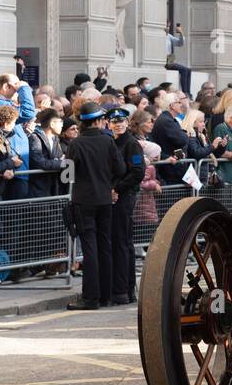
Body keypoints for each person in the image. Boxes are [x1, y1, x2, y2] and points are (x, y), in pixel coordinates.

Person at [65, 102, 125, 310]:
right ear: (99, 121)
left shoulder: (76, 144)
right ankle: (105, 295)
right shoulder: (108, 142)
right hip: (104, 200)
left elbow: (67, 175)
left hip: (83, 200)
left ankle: (90, 297)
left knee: (90, 249)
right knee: (104, 246)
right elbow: (120, 168)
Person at [106, 107, 145, 305]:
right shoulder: (111, 142)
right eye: (114, 121)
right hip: (115, 196)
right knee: (121, 242)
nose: (118, 124)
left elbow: (138, 172)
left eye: (121, 121)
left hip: (125, 196)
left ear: (127, 123)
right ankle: (125, 289)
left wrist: (117, 188)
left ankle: (125, 290)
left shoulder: (131, 144)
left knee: (122, 242)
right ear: (108, 123)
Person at [27, 108, 68, 197]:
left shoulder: (55, 139)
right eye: (60, 122)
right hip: (38, 190)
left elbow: (58, 159)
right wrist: (61, 163)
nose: (62, 125)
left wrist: (59, 161)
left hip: (53, 189)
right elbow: (40, 163)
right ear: (52, 124)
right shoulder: (34, 138)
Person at [165, 23, 193, 96]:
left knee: (188, 69)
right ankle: (185, 92)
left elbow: (180, 43)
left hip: (169, 59)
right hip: (163, 59)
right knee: (184, 70)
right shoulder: (159, 35)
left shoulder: (168, 36)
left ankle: (188, 93)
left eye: (168, 26)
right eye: (166, 26)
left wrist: (181, 33)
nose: (167, 28)